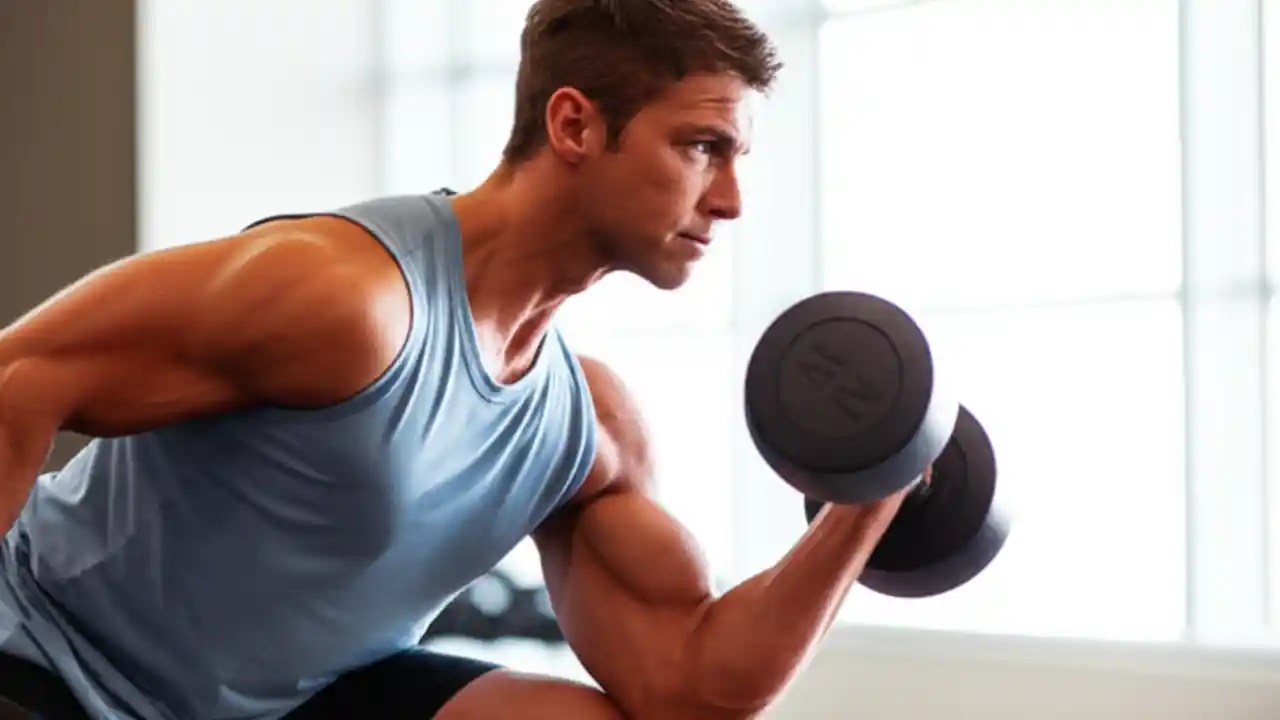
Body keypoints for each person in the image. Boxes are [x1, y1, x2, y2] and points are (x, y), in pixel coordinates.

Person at [0, 1, 911, 718]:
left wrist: (873, 492)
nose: (734, 201)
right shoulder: (348, 299)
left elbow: (687, 688)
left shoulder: (585, 428)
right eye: (702, 147)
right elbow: (20, 377)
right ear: (575, 125)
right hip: (53, 664)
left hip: (293, 702)